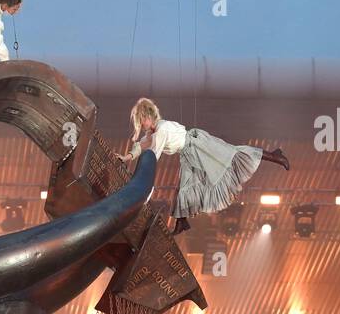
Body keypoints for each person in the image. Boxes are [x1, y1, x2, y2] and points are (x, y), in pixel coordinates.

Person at [119, 97, 290, 234]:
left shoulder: (162, 129)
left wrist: (142, 180)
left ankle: (274, 156)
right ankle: (182, 221)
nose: (141, 125)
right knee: (184, 188)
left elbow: (153, 154)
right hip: (188, 155)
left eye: (142, 121)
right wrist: (126, 157)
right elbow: (141, 145)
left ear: (148, 116)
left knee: (231, 155)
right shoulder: (153, 132)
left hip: (198, 146)